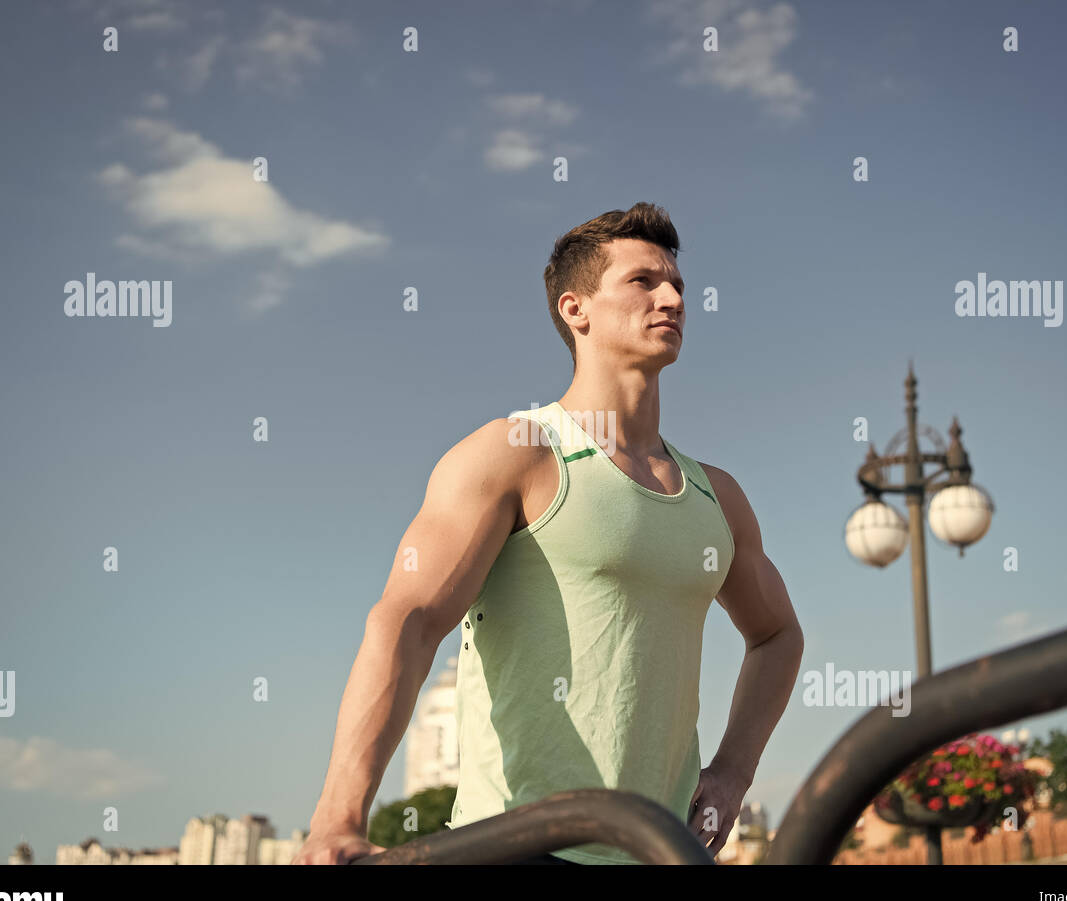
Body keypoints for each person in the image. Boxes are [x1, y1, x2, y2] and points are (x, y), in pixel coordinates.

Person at [293, 202, 804, 865]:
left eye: (677, 283)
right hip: (517, 845)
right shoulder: (517, 453)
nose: (673, 297)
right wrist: (338, 815)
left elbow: (777, 634)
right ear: (575, 309)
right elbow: (409, 620)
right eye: (643, 281)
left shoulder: (718, 495)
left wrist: (734, 771)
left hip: (663, 849)